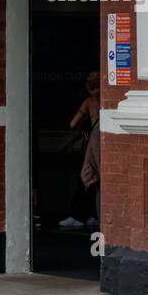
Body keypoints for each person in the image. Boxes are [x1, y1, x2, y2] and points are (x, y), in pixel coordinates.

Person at [59, 71, 101, 229]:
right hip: (106, 146)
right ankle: (95, 215)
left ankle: (77, 215)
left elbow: (73, 123)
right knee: (100, 181)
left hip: (92, 146)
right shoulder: (108, 100)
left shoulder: (89, 102)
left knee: (86, 179)